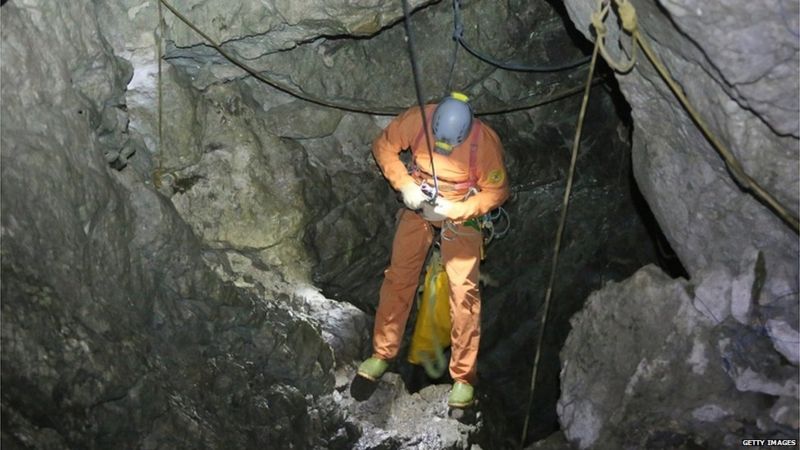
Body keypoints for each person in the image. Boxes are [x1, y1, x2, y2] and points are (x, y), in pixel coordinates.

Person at [357, 92, 510, 408]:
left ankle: (463, 378)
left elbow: (496, 191)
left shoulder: (485, 144)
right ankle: (381, 354)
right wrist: (405, 184)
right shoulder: (417, 120)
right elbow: (383, 146)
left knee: (464, 294)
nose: (443, 149)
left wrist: (455, 211)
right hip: (420, 204)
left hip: (460, 212)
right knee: (399, 277)